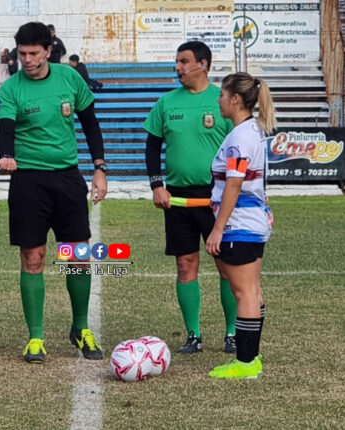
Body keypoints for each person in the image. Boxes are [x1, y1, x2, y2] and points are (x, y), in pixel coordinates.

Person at [0, 21, 108, 364]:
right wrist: (7, 155)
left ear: (48, 49)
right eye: (21, 54)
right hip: (28, 181)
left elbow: (90, 123)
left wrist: (99, 168)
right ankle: (36, 338)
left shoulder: (70, 78)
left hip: (68, 179)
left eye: (32, 53)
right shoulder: (10, 89)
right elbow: (5, 131)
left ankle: (81, 328)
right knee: (33, 258)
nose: (26, 60)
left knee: (78, 255)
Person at [143, 41, 238, 355]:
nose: (178, 67)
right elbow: (153, 146)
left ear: (204, 64)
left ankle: (231, 333)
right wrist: (157, 184)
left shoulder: (222, 101)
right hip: (178, 198)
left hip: (217, 197)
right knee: (186, 266)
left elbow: (239, 150)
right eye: (177, 61)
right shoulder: (166, 102)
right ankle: (193, 336)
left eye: (184, 61)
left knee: (226, 266)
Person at [206, 72, 275, 379]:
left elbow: (234, 184)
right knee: (252, 291)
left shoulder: (241, 137)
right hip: (252, 221)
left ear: (235, 99)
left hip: (240, 224)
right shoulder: (251, 131)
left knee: (244, 293)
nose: (218, 100)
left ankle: (246, 363)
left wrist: (218, 228)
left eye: (222, 94)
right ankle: (252, 358)